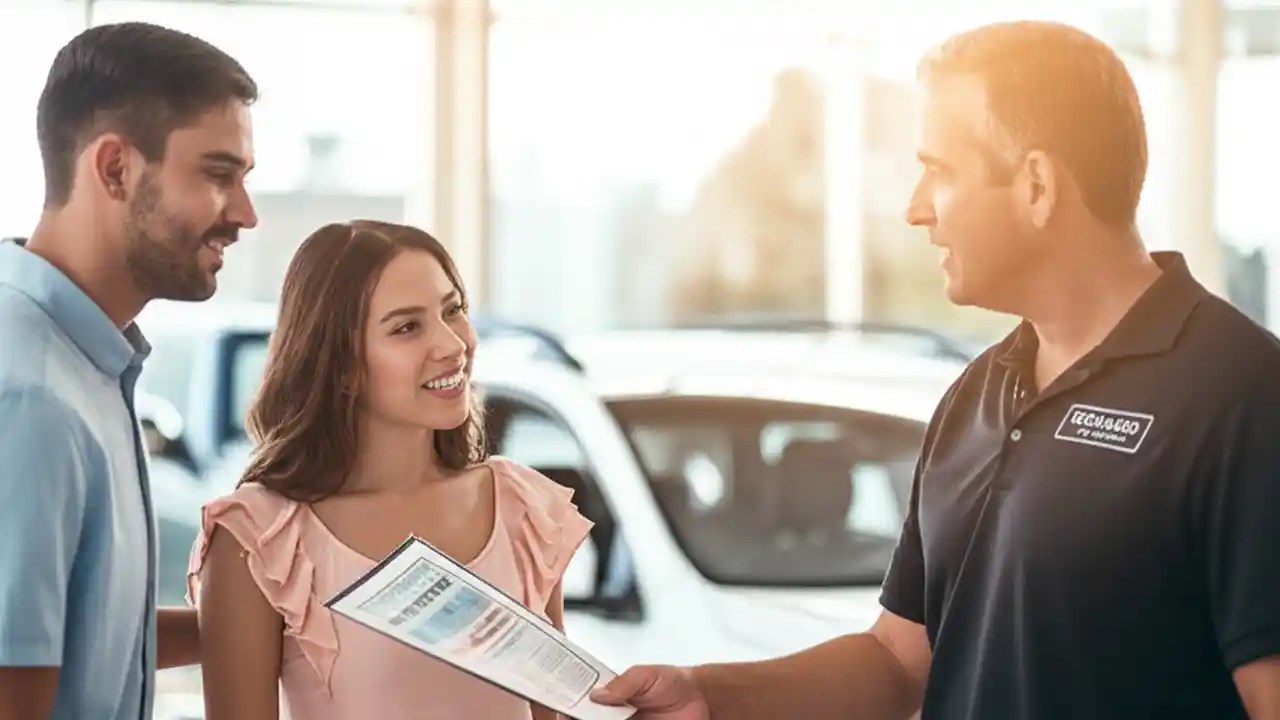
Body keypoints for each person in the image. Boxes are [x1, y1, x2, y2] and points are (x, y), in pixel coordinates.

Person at [592, 20, 1280, 720]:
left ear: (1037, 185)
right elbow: (898, 661)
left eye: (941, 172)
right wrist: (708, 694)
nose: (917, 208)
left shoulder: (1244, 397)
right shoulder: (978, 394)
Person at [188, 220, 593, 720]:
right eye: (407, 327)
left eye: (453, 311)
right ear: (337, 363)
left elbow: (557, 713)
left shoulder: (521, 508)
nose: (453, 344)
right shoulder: (260, 538)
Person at [0, 22, 257, 720]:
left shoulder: (85, 364)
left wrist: (280, 628)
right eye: (218, 175)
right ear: (115, 168)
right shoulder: (28, 394)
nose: (246, 214)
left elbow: (90, 641)